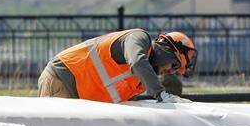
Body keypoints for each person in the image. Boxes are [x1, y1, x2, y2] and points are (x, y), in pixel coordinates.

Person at [38, 29, 196, 104]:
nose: (171, 71)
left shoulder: (139, 83)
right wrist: (161, 94)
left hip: (79, 94)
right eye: (175, 65)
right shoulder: (139, 38)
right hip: (63, 79)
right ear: (168, 51)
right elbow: (137, 61)